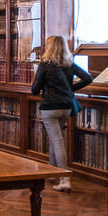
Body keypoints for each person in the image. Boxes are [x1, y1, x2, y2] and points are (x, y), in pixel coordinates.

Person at [31, 35, 93, 192]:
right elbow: (88, 78)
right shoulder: (69, 64)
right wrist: (70, 89)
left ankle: (65, 179)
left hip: (50, 107)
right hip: (66, 107)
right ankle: (52, 172)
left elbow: (34, 89)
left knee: (57, 141)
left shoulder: (45, 65)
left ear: (49, 48)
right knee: (55, 139)